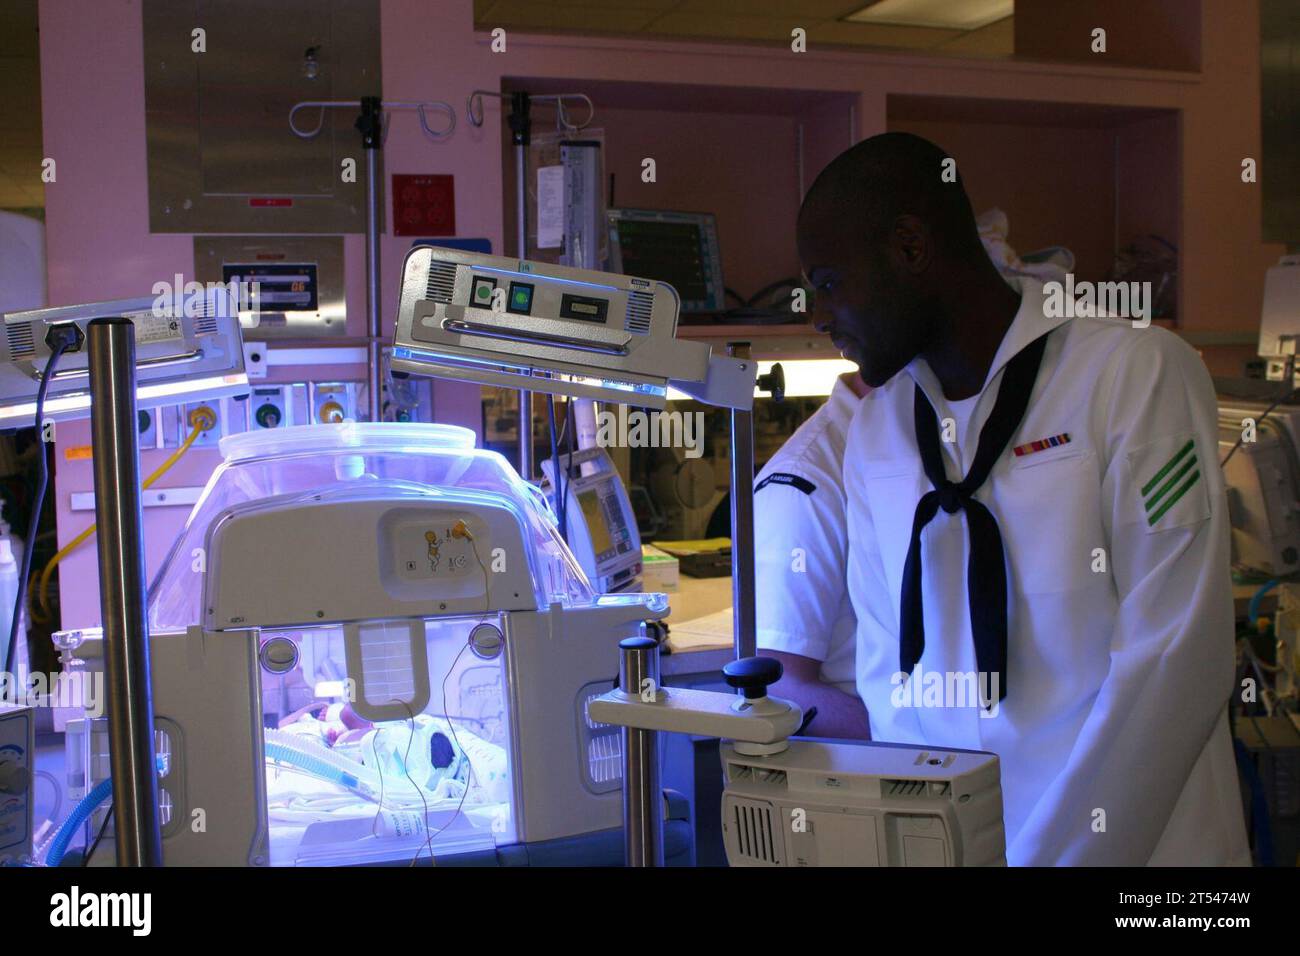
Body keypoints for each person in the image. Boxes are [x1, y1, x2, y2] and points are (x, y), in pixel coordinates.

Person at [796, 131, 1249, 866]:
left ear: (910, 247)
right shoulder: (877, 429)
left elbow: (1175, 659)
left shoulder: (1133, 374)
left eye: (828, 283)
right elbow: (889, 681)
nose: (818, 317)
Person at [755, 371, 871, 739]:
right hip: (871, 763)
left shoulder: (905, 448)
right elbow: (779, 687)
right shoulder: (802, 485)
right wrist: (922, 744)